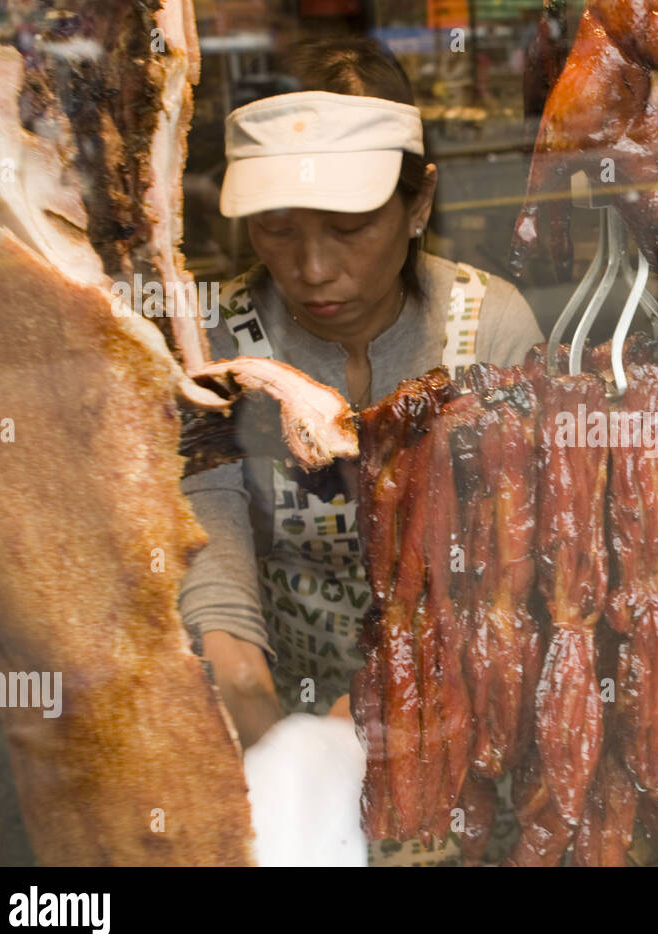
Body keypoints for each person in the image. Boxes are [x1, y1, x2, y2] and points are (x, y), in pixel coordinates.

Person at [179, 38, 542, 763]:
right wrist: (267, 731)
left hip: (460, 737)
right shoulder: (221, 339)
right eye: (277, 230)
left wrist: (377, 706)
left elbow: (518, 567)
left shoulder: (492, 326)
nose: (312, 270)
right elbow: (207, 538)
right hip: (277, 722)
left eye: (348, 230)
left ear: (421, 202)